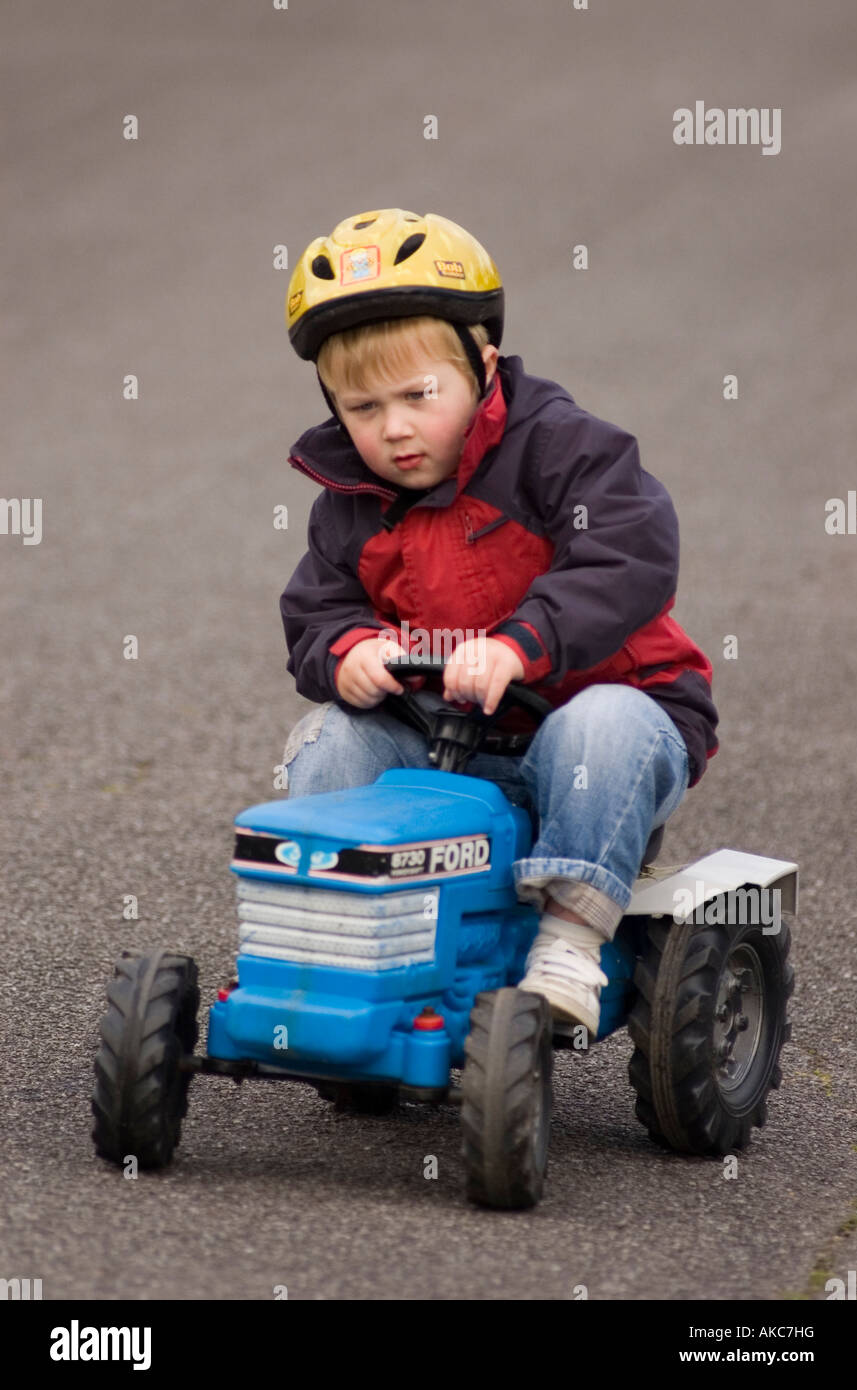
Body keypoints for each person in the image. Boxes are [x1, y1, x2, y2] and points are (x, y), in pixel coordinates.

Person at [278, 207, 719, 1037]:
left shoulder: (563, 450)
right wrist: (346, 651)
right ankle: (345, 949)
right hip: (448, 737)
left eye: (418, 395)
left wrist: (522, 644)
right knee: (333, 738)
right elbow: (316, 607)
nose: (395, 428)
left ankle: (569, 941)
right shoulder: (350, 506)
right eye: (363, 408)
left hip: (593, 727)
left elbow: (631, 551)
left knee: (606, 722)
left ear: (481, 366)